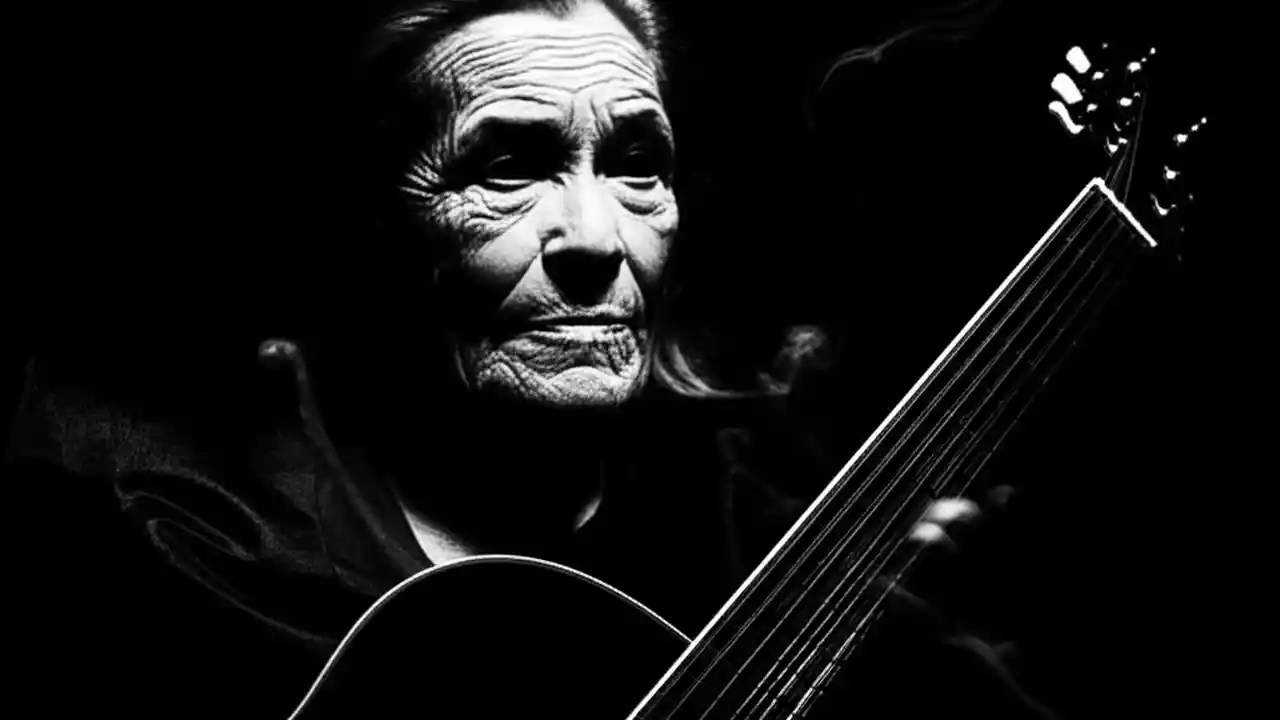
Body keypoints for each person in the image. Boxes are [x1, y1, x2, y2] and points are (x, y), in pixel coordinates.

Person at [5, 0, 1057, 717]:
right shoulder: (166, 521)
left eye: (638, 164)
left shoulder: (750, 512)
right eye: (508, 168)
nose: (598, 237)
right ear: (366, 223)